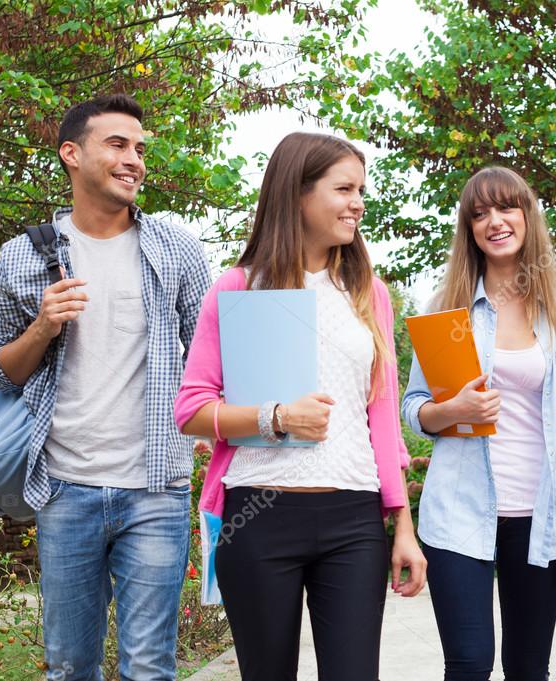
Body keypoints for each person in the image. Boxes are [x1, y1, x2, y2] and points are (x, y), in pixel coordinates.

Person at [173, 131, 426, 680]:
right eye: (344, 189)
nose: (358, 203)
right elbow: (191, 409)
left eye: (362, 189)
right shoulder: (238, 288)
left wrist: (401, 524)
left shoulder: (368, 293)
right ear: (298, 195)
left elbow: (381, 416)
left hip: (353, 519)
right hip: (260, 514)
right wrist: (277, 418)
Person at [0, 94, 212, 679]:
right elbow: (1, 372)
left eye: (139, 149)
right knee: (69, 666)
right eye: (117, 144)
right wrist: (42, 326)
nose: (133, 159)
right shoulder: (21, 258)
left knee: (150, 666)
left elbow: (211, 360)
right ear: (71, 154)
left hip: (155, 489)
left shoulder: (176, 249)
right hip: (63, 487)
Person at [402, 166, 556, 681]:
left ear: (528, 216)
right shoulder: (447, 311)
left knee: (529, 669)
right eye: (479, 213)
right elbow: (414, 405)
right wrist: (448, 412)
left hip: (541, 517)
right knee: (467, 667)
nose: (494, 221)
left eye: (507, 207)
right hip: (459, 514)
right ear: (469, 229)